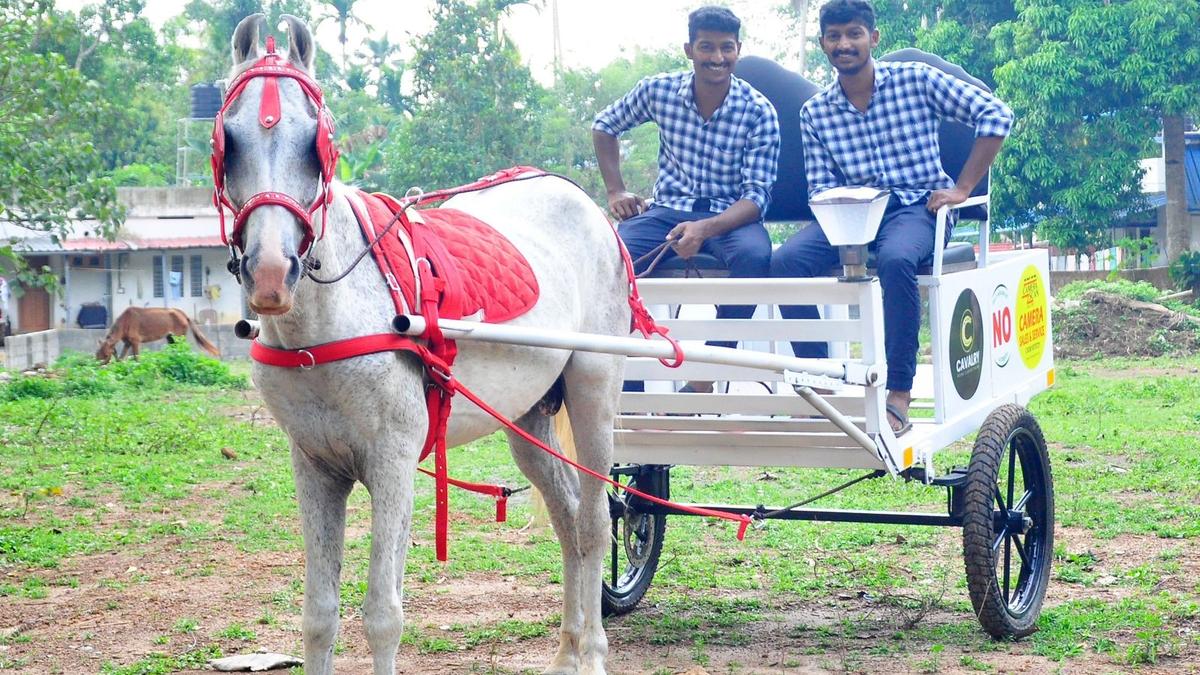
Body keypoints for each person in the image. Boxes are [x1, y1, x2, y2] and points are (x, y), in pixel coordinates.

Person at [770, 0, 1013, 434]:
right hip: (852, 213)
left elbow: (996, 114)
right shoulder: (815, 112)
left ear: (873, 38)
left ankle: (899, 390)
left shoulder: (915, 80)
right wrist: (848, 226)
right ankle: (820, 379)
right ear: (823, 43)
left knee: (899, 259)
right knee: (786, 261)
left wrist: (962, 188)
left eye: (854, 34)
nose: (844, 44)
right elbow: (821, 188)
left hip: (918, 207)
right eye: (834, 36)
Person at [593, 5, 781, 393]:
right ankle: (617, 381)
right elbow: (604, 126)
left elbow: (757, 198)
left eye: (726, 48)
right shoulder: (658, 90)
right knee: (612, 255)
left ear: (738, 49)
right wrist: (615, 190)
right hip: (665, 212)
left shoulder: (759, 110)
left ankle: (709, 368)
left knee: (755, 257)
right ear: (688, 49)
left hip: (731, 217)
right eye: (706, 47)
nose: (717, 58)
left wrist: (704, 227)